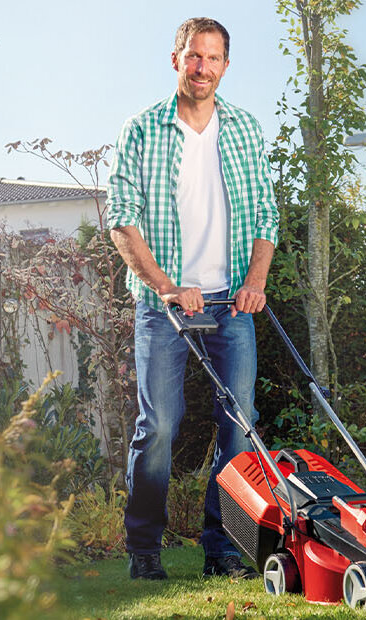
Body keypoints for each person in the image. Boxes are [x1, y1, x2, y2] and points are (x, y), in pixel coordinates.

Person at [105, 17, 280, 580]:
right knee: (159, 426)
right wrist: (165, 286)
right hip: (165, 306)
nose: (202, 67)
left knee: (241, 423)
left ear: (226, 66)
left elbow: (265, 215)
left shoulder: (245, 130)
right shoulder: (142, 129)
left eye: (213, 58)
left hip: (233, 302)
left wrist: (255, 282)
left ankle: (225, 548)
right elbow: (122, 219)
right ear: (175, 59)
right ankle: (144, 551)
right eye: (193, 57)